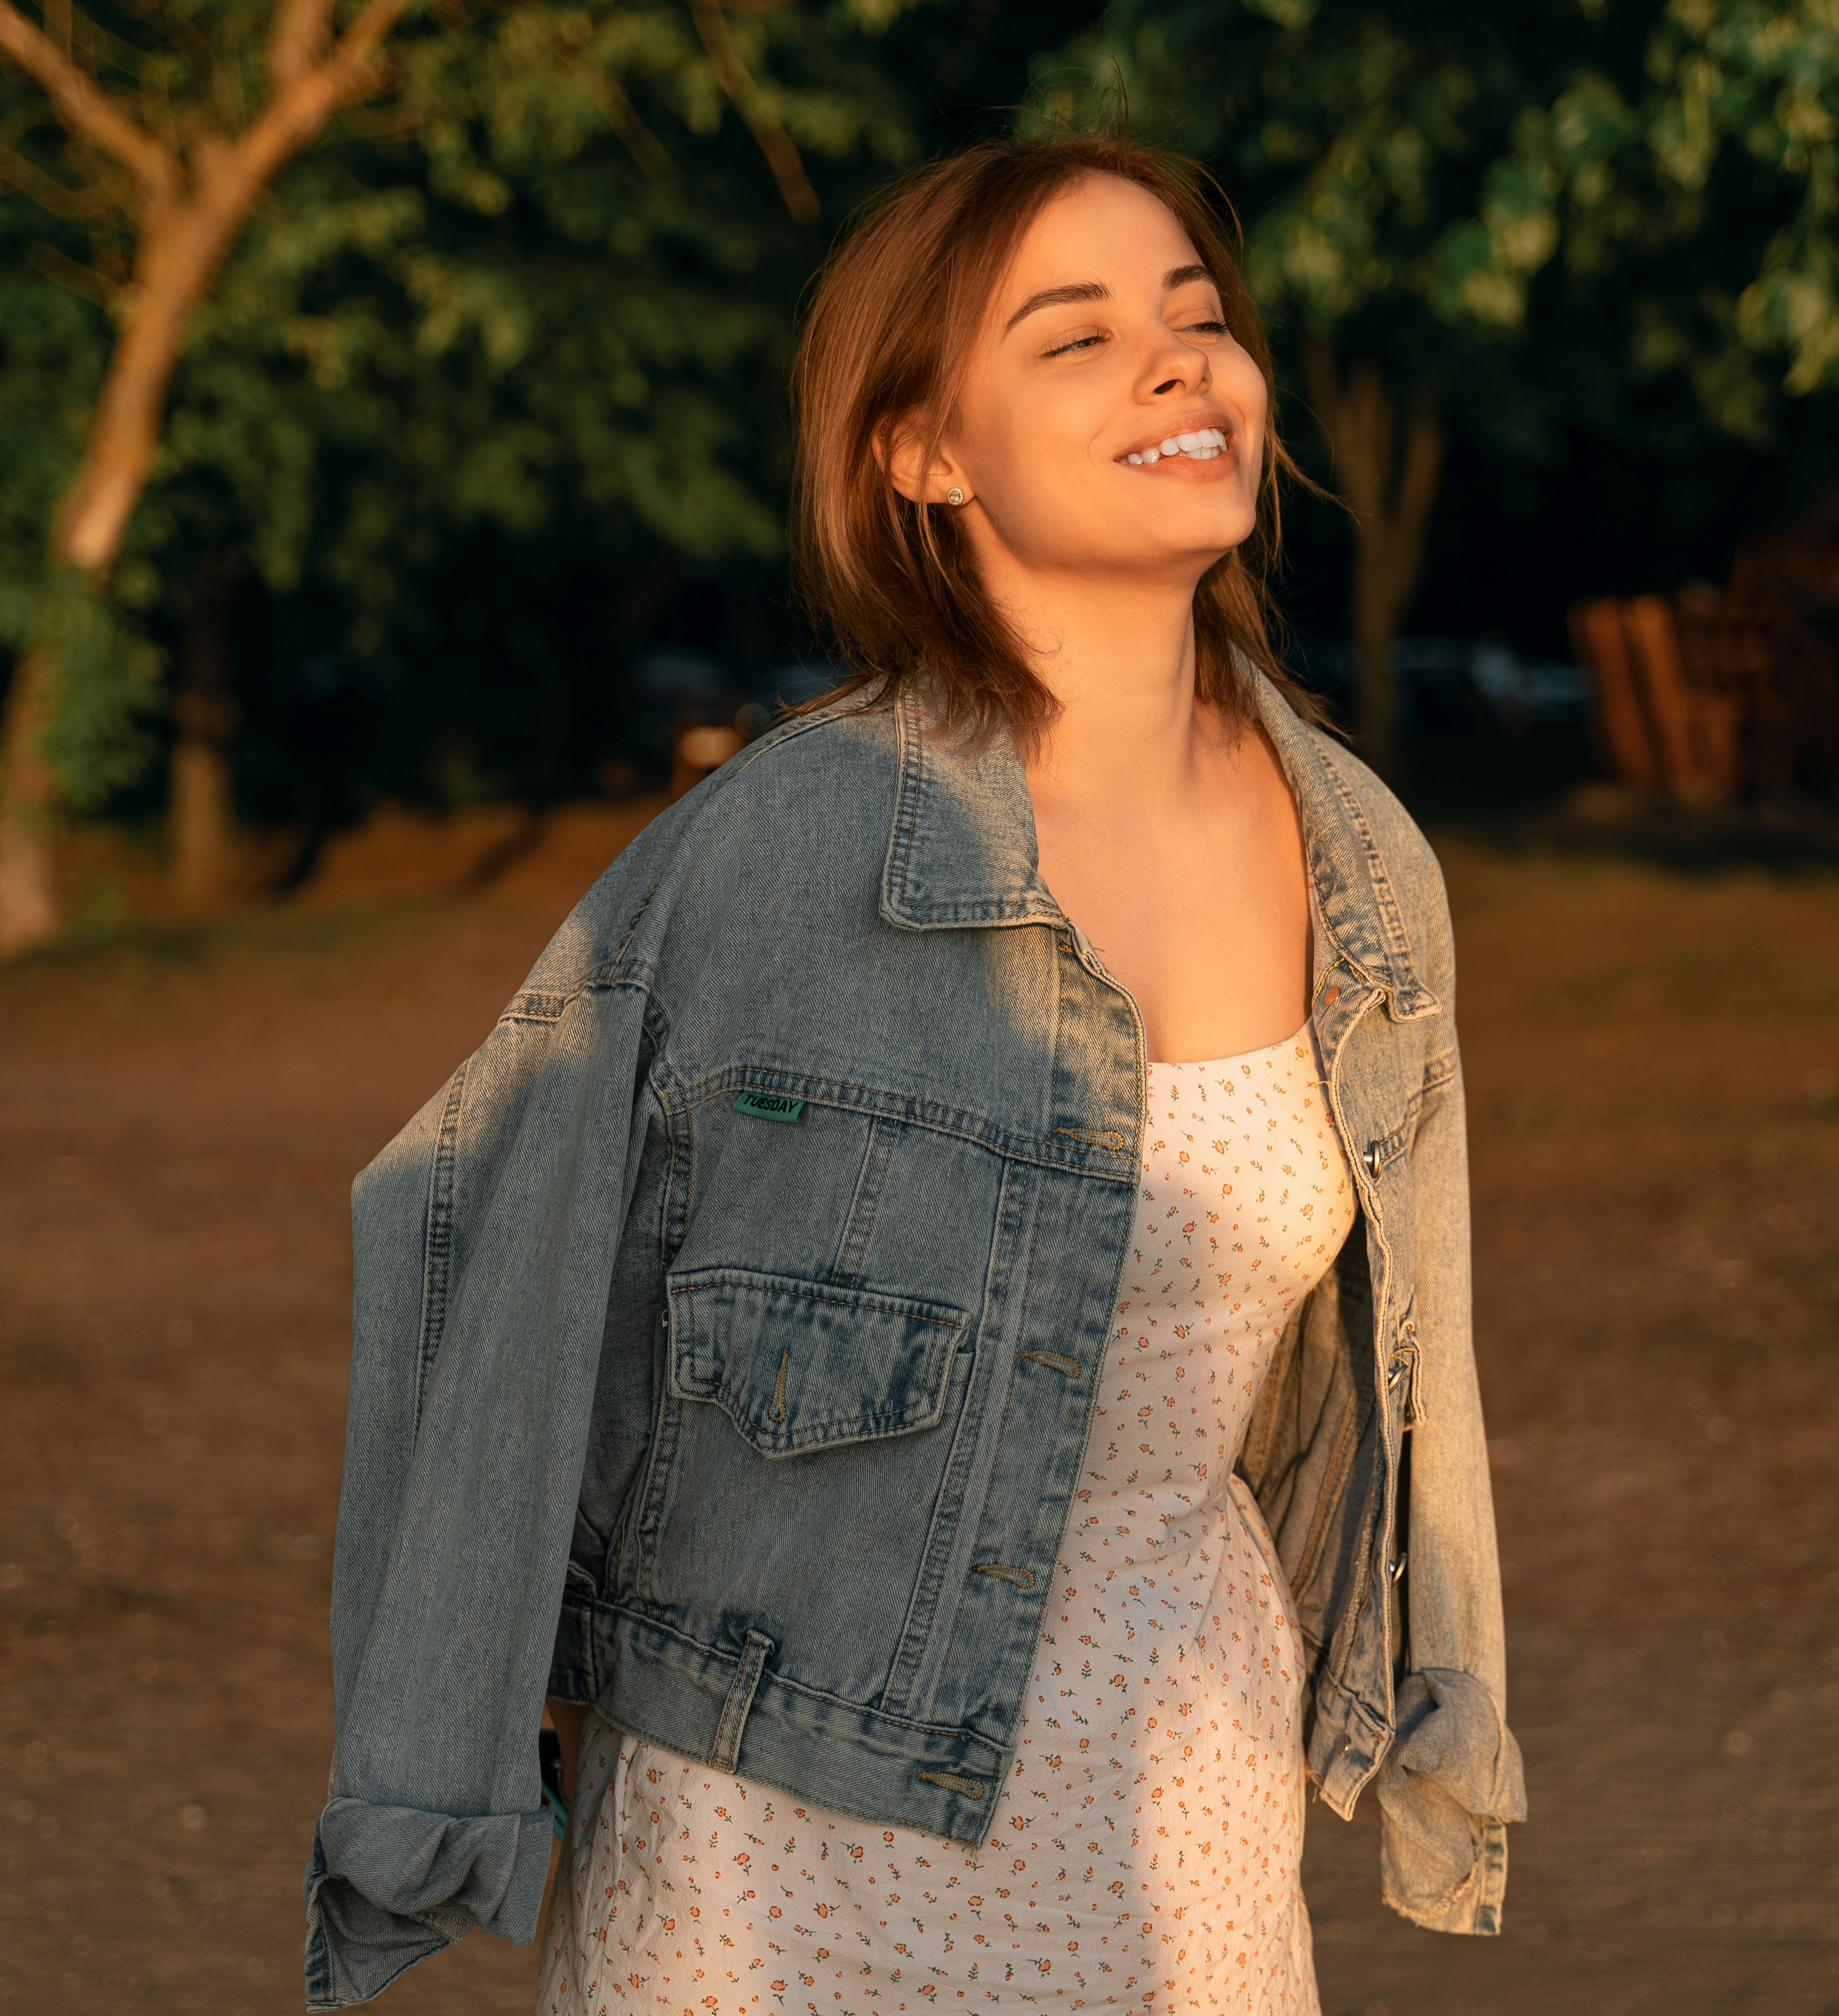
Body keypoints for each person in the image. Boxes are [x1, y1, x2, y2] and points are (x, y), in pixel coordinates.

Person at [299, 135, 1524, 2014]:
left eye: (1200, 317)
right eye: (1079, 334)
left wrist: (1429, 1705)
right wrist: (466, 1740)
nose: (1180, 363)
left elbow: (1385, 1376)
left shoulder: (1364, 862)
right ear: (921, 454)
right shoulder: (778, 850)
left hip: (1179, 1782)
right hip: (775, 1826)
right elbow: (492, 1241)